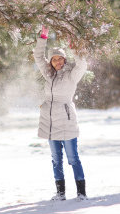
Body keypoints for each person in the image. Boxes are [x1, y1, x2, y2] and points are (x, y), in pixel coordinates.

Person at [33, 25, 88, 201]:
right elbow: (38, 56)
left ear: (64, 60)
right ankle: (60, 193)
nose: (57, 62)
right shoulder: (48, 74)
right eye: (54, 59)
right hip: (50, 122)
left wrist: (73, 45)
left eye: (60, 59)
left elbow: (82, 63)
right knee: (56, 160)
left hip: (66, 120)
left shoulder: (72, 75)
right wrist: (43, 37)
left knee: (73, 159)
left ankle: (81, 194)